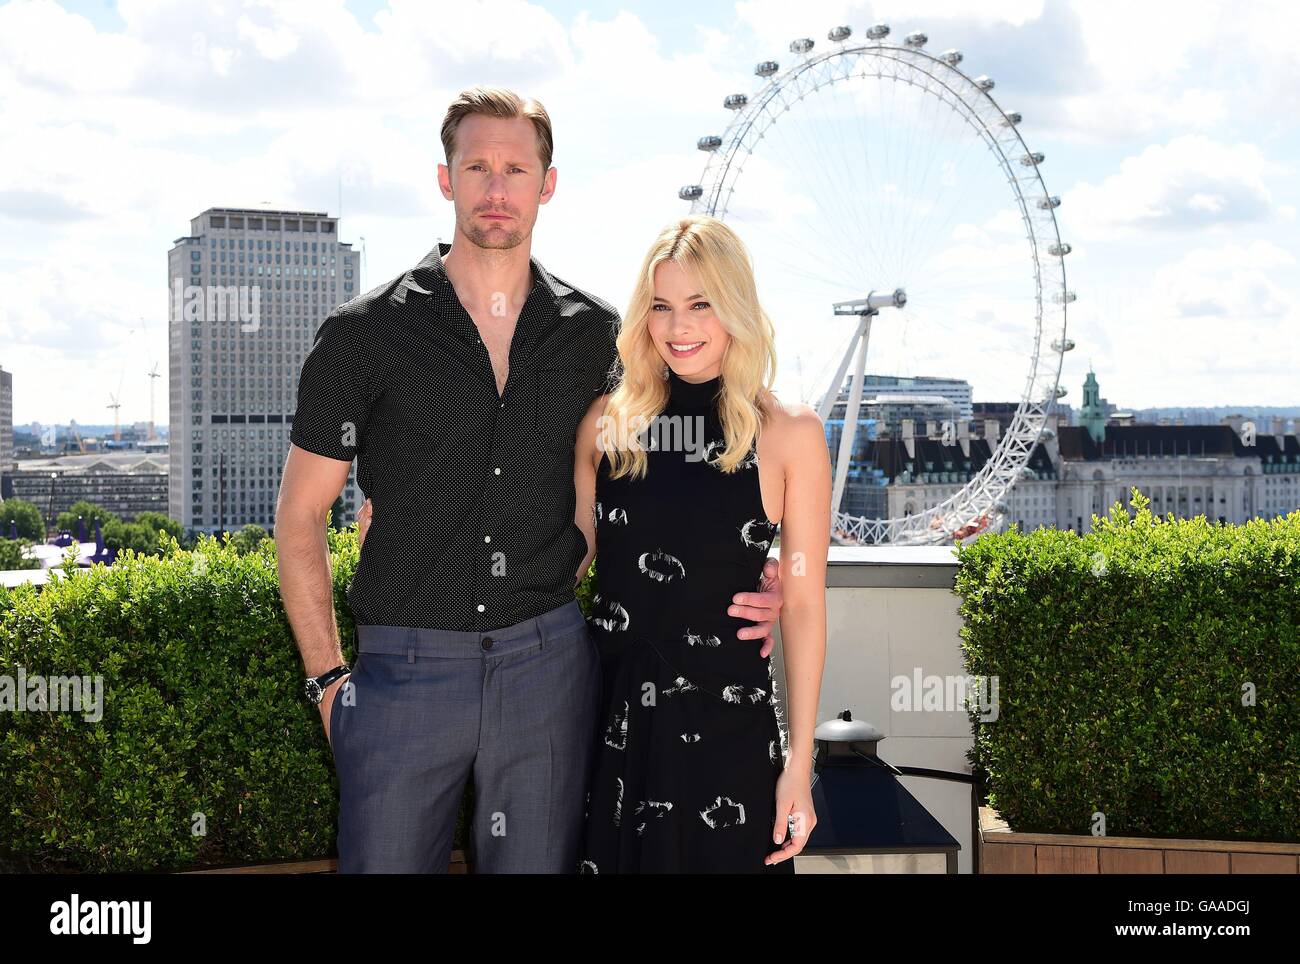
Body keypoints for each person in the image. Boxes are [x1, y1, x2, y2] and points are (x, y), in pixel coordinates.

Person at [274, 85, 785, 874]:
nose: (496, 187)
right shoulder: (363, 338)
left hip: (547, 672)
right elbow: (301, 518)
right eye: (476, 166)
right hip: (405, 672)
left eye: (517, 168)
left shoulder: (596, 337)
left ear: (547, 184)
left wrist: (769, 573)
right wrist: (328, 683)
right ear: (446, 179)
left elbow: (690, 468)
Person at [572, 215, 830, 872]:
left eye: (700, 305)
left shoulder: (790, 434)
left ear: (735, 307)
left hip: (729, 734)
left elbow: (802, 607)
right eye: (661, 306)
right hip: (608, 726)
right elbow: (568, 560)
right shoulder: (607, 426)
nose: (678, 327)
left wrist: (799, 766)